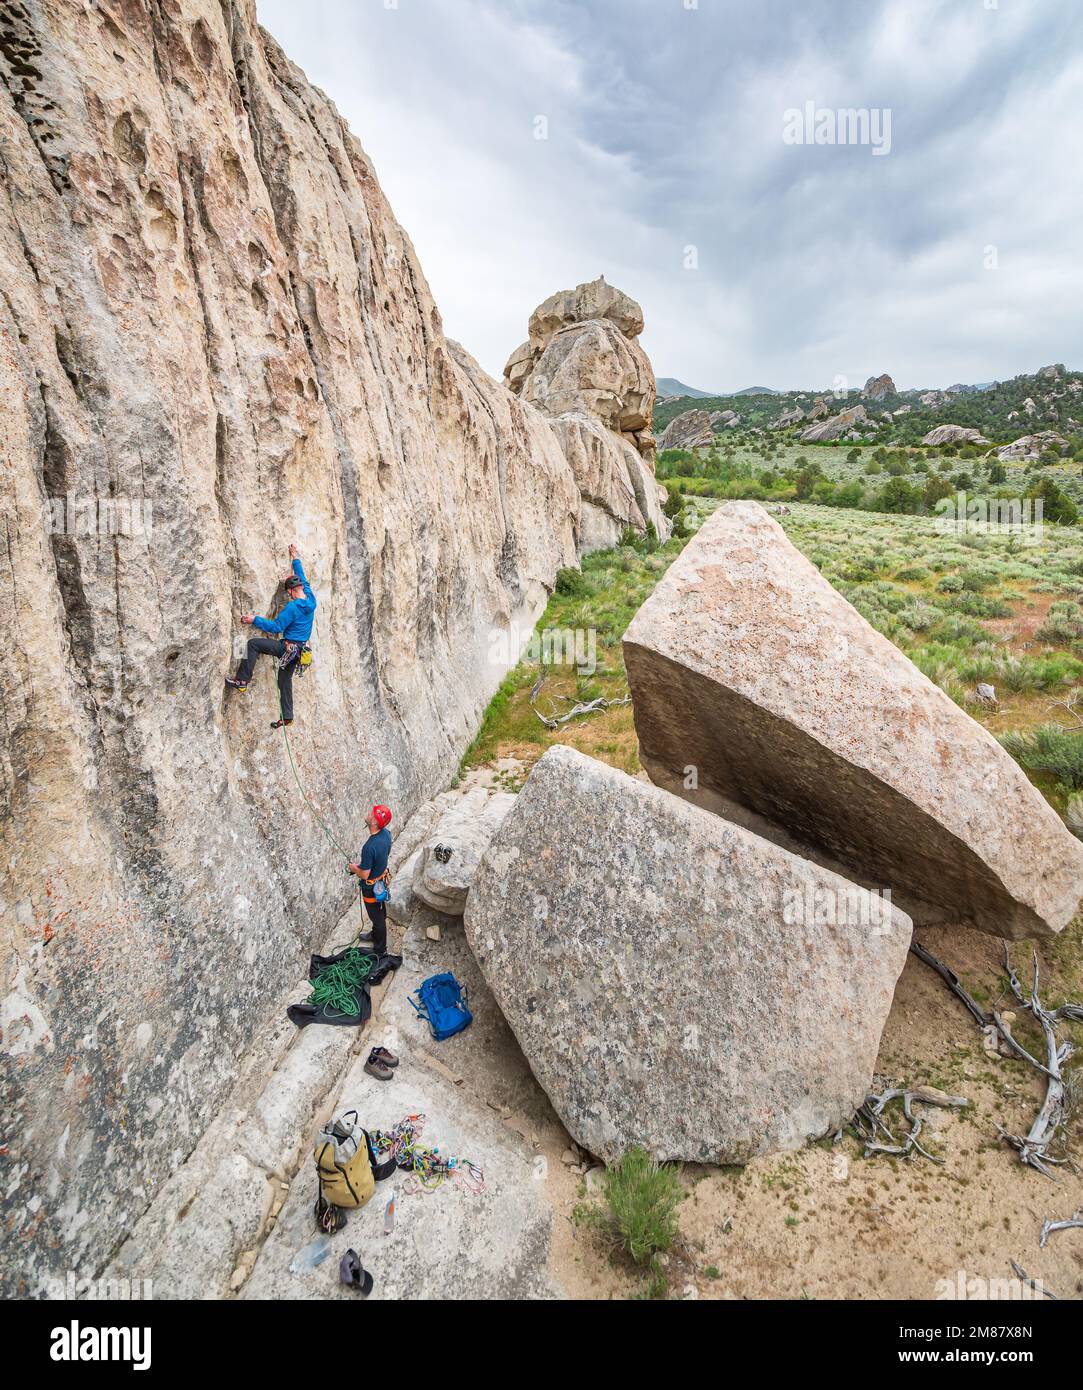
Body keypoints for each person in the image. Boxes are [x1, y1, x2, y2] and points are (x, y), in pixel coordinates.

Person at [226, 543, 316, 728]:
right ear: (301, 587)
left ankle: (242, 680)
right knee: (284, 680)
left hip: (287, 649)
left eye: (288, 593)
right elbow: (304, 577)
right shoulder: (311, 599)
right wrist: (295, 557)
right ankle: (288, 717)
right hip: (300, 652)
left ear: (290, 592)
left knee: (252, 644)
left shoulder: (292, 607)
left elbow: (275, 627)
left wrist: (254, 619)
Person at [349, 805, 393, 954]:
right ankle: (374, 935)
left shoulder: (368, 847)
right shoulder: (386, 834)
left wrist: (354, 868)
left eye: (371, 813)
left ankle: (380, 950)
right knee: (379, 912)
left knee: (377, 918)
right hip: (381, 880)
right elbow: (384, 853)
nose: (368, 814)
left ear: (374, 821)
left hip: (371, 887)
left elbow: (365, 875)